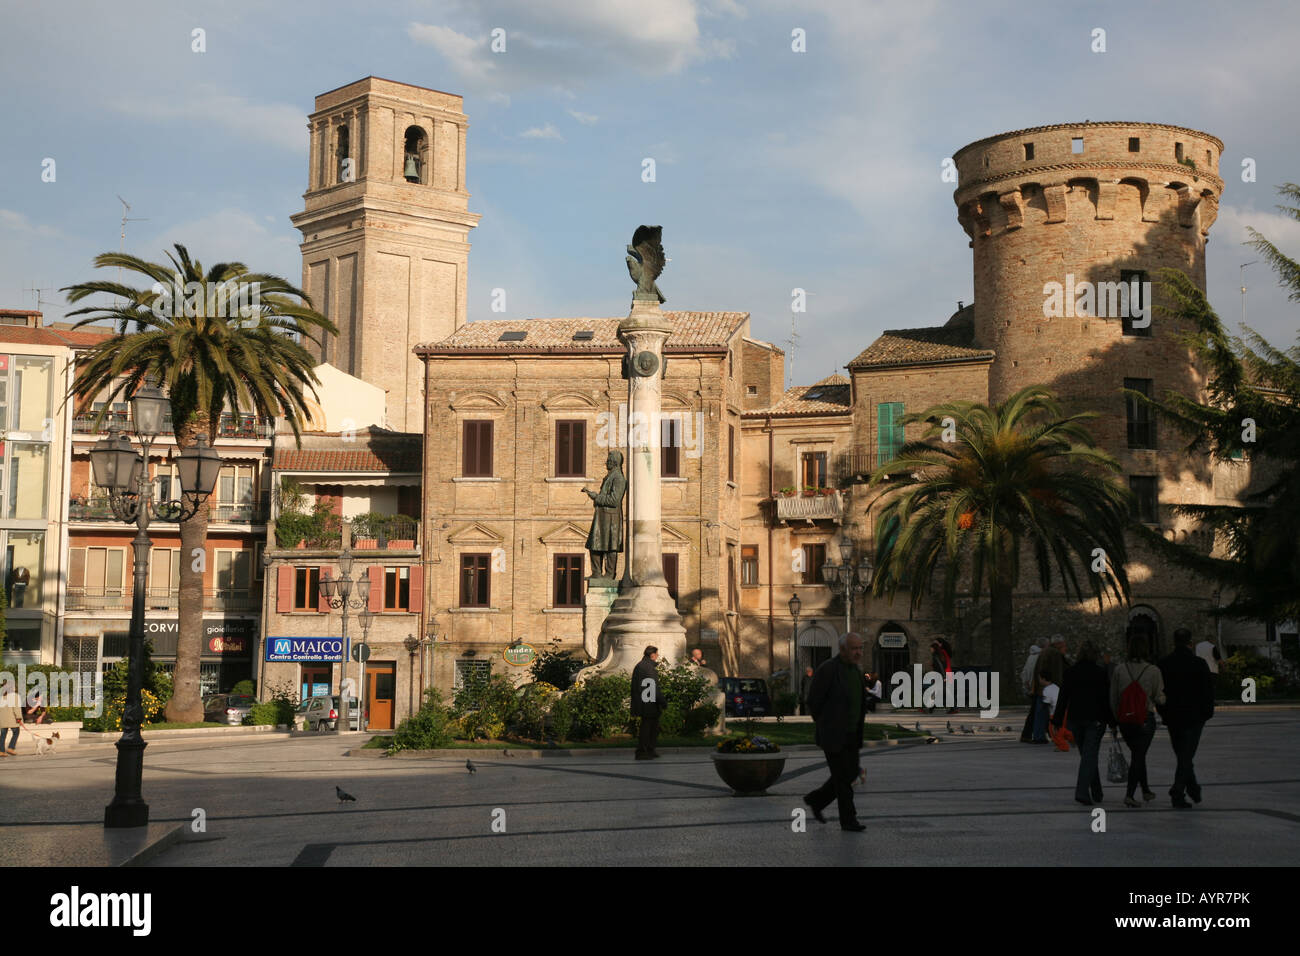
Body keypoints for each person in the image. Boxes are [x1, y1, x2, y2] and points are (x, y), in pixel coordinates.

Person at [804, 632, 868, 831]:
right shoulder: (829, 669)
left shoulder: (856, 671)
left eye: (860, 648)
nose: (858, 652)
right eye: (854, 648)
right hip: (833, 735)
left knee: (849, 775)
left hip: (852, 734)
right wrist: (825, 724)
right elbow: (813, 701)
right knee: (843, 780)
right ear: (842, 650)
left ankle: (816, 799)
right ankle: (849, 820)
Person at [1159, 628, 1216, 808]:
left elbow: (1160, 692)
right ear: (1190, 642)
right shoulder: (1199, 663)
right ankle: (1179, 789)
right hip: (1194, 716)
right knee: (1187, 754)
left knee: (1183, 754)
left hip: (1173, 715)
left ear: (1174, 642)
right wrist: (1207, 712)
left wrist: (1164, 713)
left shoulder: (1165, 664)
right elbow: (1208, 691)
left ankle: (1190, 788)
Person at [1053, 640, 1113, 805]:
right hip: (1095, 719)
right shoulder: (1100, 673)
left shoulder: (1071, 672)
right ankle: (1082, 791)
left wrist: (1057, 719)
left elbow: (1063, 697)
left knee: (1087, 755)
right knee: (1089, 755)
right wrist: (1113, 722)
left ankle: (1096, 790)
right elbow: (1105, 700)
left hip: (1076, 719)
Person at [1110, 633, 1166, 807]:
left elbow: (1113, 698)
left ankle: (1146, 791)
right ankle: (1130, 795)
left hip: (1125, 721)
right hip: (1144, 719)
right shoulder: (1153, 670)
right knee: (1138, 756)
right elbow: (1160, 698)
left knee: (1138, 754)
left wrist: (1115, 720)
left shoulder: (1119, 669)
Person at [630, 645, 666, 760]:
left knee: (652, 728)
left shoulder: (643, 665)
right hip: (648, 702)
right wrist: (662, 701)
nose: (658, 656)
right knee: (647, 728)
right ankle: (643, 751)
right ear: (652, 655)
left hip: (646, 700)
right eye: (657, 654)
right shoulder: (647, 667)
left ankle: (650, 749)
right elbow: (652, 686)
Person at [1032, 635, 1069, 744]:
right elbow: (1057, 673)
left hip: (1041, 686)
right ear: (1058, 644)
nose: (1065, 647)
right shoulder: (1055, 654)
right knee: (1052, 713)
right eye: (1063, 644)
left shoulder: (1045, 651)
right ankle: (1050, 735)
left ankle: (1038, 735)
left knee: (1040, 713)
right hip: (1049, 687)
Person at [1020, 639, 1045, 742]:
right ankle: (1034, 734)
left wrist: (1026, 684)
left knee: (1034, 712)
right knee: (1038, 712)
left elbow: (1024, 672)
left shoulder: (1031, 656)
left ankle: (1027, 734)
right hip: (1038, 687)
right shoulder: (1041, 657)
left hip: (1031, 687)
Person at [0, 689, 25, 756]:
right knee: (16, 732)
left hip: (2, 719)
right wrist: (19, 718)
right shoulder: (15, 696)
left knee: (3, 735)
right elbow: (16, 708)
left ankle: (1, 751)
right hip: (12, 719)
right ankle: (11, 748)